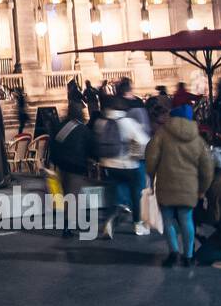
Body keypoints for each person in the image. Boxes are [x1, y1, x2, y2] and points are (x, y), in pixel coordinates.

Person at [145, 104, 215, 267]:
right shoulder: (198, 140)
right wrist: (202, 190)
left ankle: (174, 253)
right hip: (189, 188)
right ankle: (189, 256)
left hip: (166, 186)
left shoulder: (161, 135)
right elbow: (207, 169)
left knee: (168, 221)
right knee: (187, 220)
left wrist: (152, 175)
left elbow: (151, 159)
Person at [93, 99, 150, 238]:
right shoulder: (127, 122)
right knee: (135, 194)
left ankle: (109, 220)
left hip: (107, 165)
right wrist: (135, 153)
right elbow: (143, 141)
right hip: (128, 164)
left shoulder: (100, 123)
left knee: (112, 196)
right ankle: (137, 224)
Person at [48, 108, 96, 238]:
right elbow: (92, 148)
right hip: (76, 167)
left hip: (62, 165)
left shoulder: (61, 127)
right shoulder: (84, 130)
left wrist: (53, 161)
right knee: (72, 197)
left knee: (67, 195)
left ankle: (71, 222)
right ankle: (67, 227)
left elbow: (53, 144)